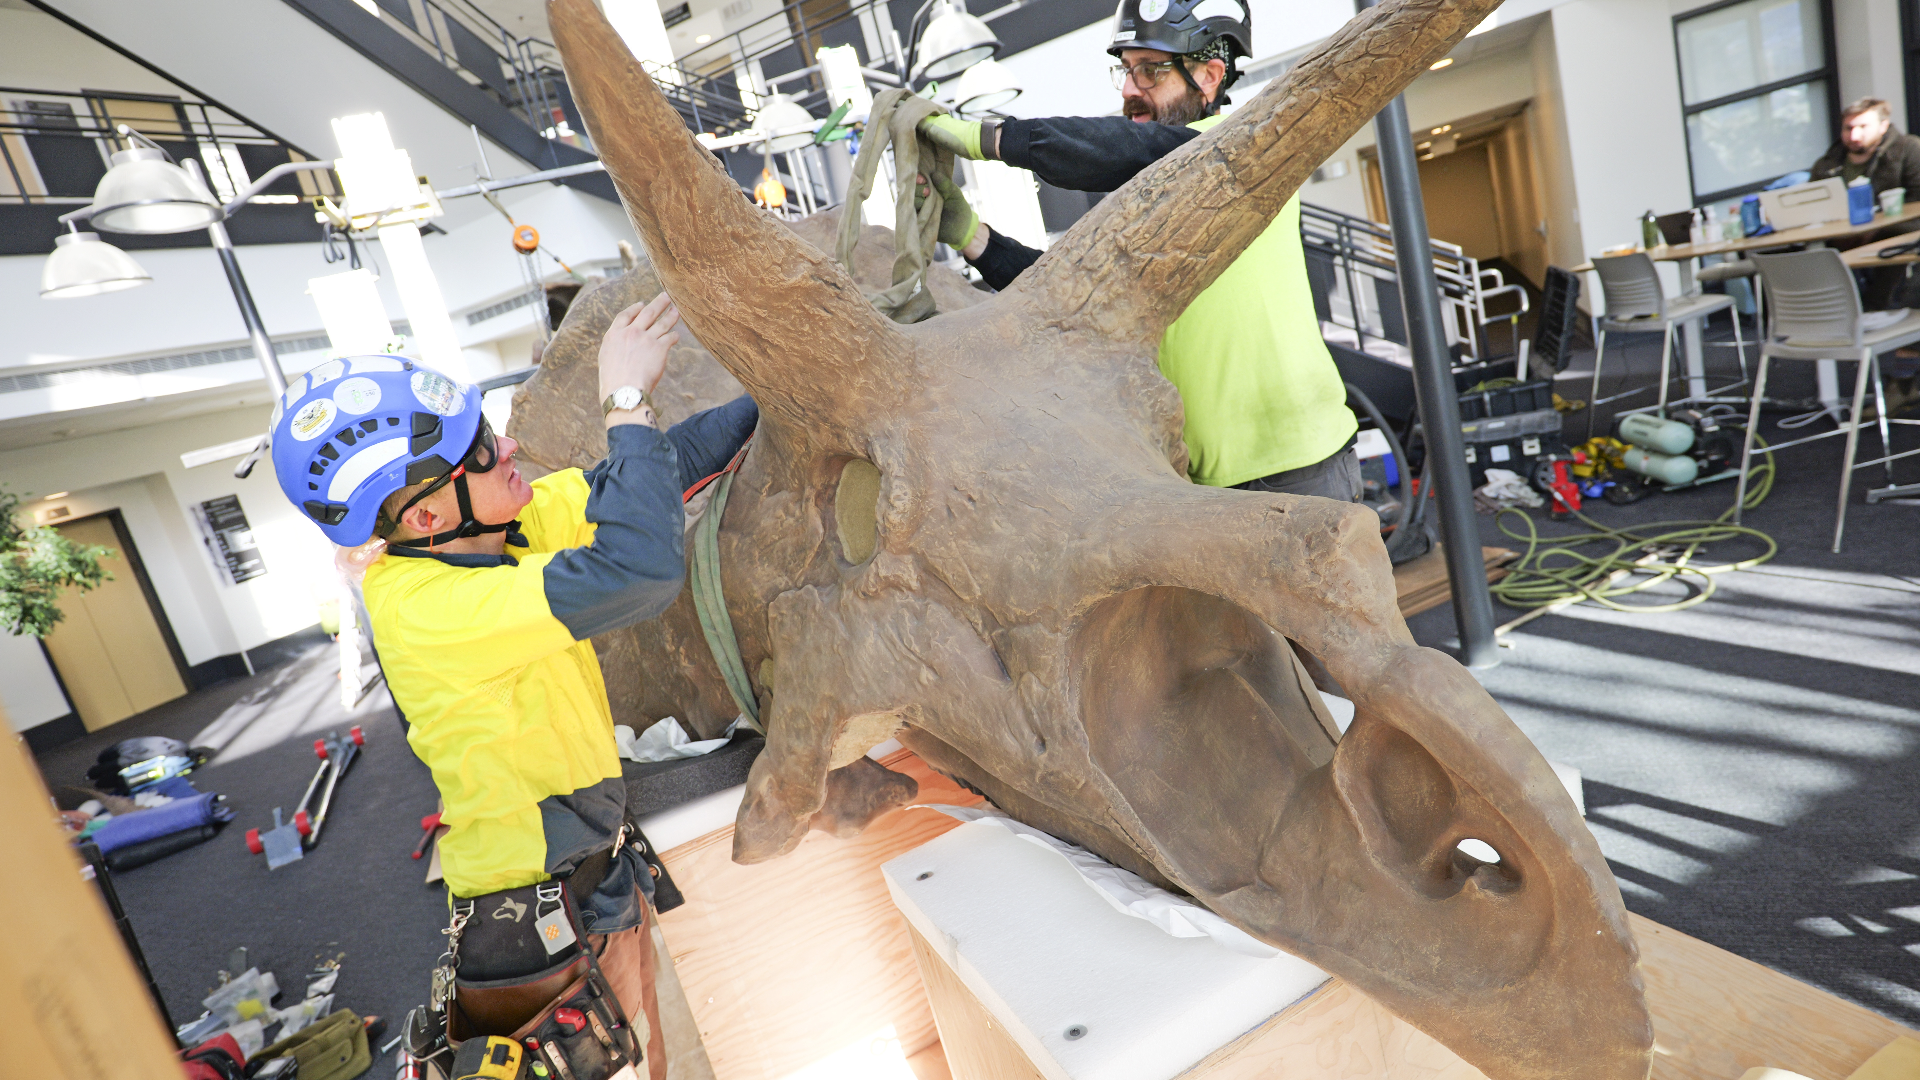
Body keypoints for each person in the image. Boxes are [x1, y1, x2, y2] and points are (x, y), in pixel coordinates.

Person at [268, 293, 757, 1079]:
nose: (511, 446)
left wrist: (781, 391)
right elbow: (640, 568)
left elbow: (652, 474)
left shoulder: (492, 531)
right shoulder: (430, 609)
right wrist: (624, 398)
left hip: (584, 882)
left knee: (647, 1053)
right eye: (483, 451)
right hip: (542, 925)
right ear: (427, 518)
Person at [913, 0, 1360, 501]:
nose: (1129, 90)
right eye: (1126, 71)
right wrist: (972, 236)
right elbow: (1071, 293)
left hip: (1299, 467)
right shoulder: (1149, 197)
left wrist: (986, 138)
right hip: (1198, 485)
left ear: (1210, 76)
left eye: (1150, 71)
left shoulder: (1244, 150)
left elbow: (1128, 148)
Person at [1810, 97, 1920, 197]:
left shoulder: (1908, 150)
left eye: (1863, 127)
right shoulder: (1825, 166)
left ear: (1883, 126)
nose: (1854, 136)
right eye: (1848, 128)